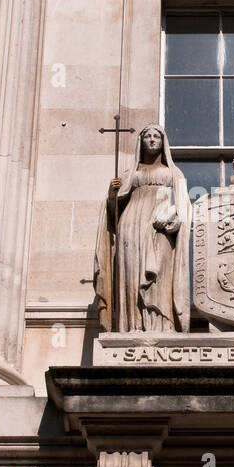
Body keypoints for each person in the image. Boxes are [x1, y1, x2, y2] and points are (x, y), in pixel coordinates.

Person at [93, 124, 191, 332]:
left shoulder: (174, 173)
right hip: (130, 225)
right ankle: (132, 325)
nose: (152, 139)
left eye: (157, 136)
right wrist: (112, 193)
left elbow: (183, 205)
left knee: (159, 275)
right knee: (131, 273)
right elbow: (113, 211)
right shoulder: (130, 174)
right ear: (141, 142)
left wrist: (171, 219)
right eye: (148, 136)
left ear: (163, 142)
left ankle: (161, 326)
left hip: (159, 229)